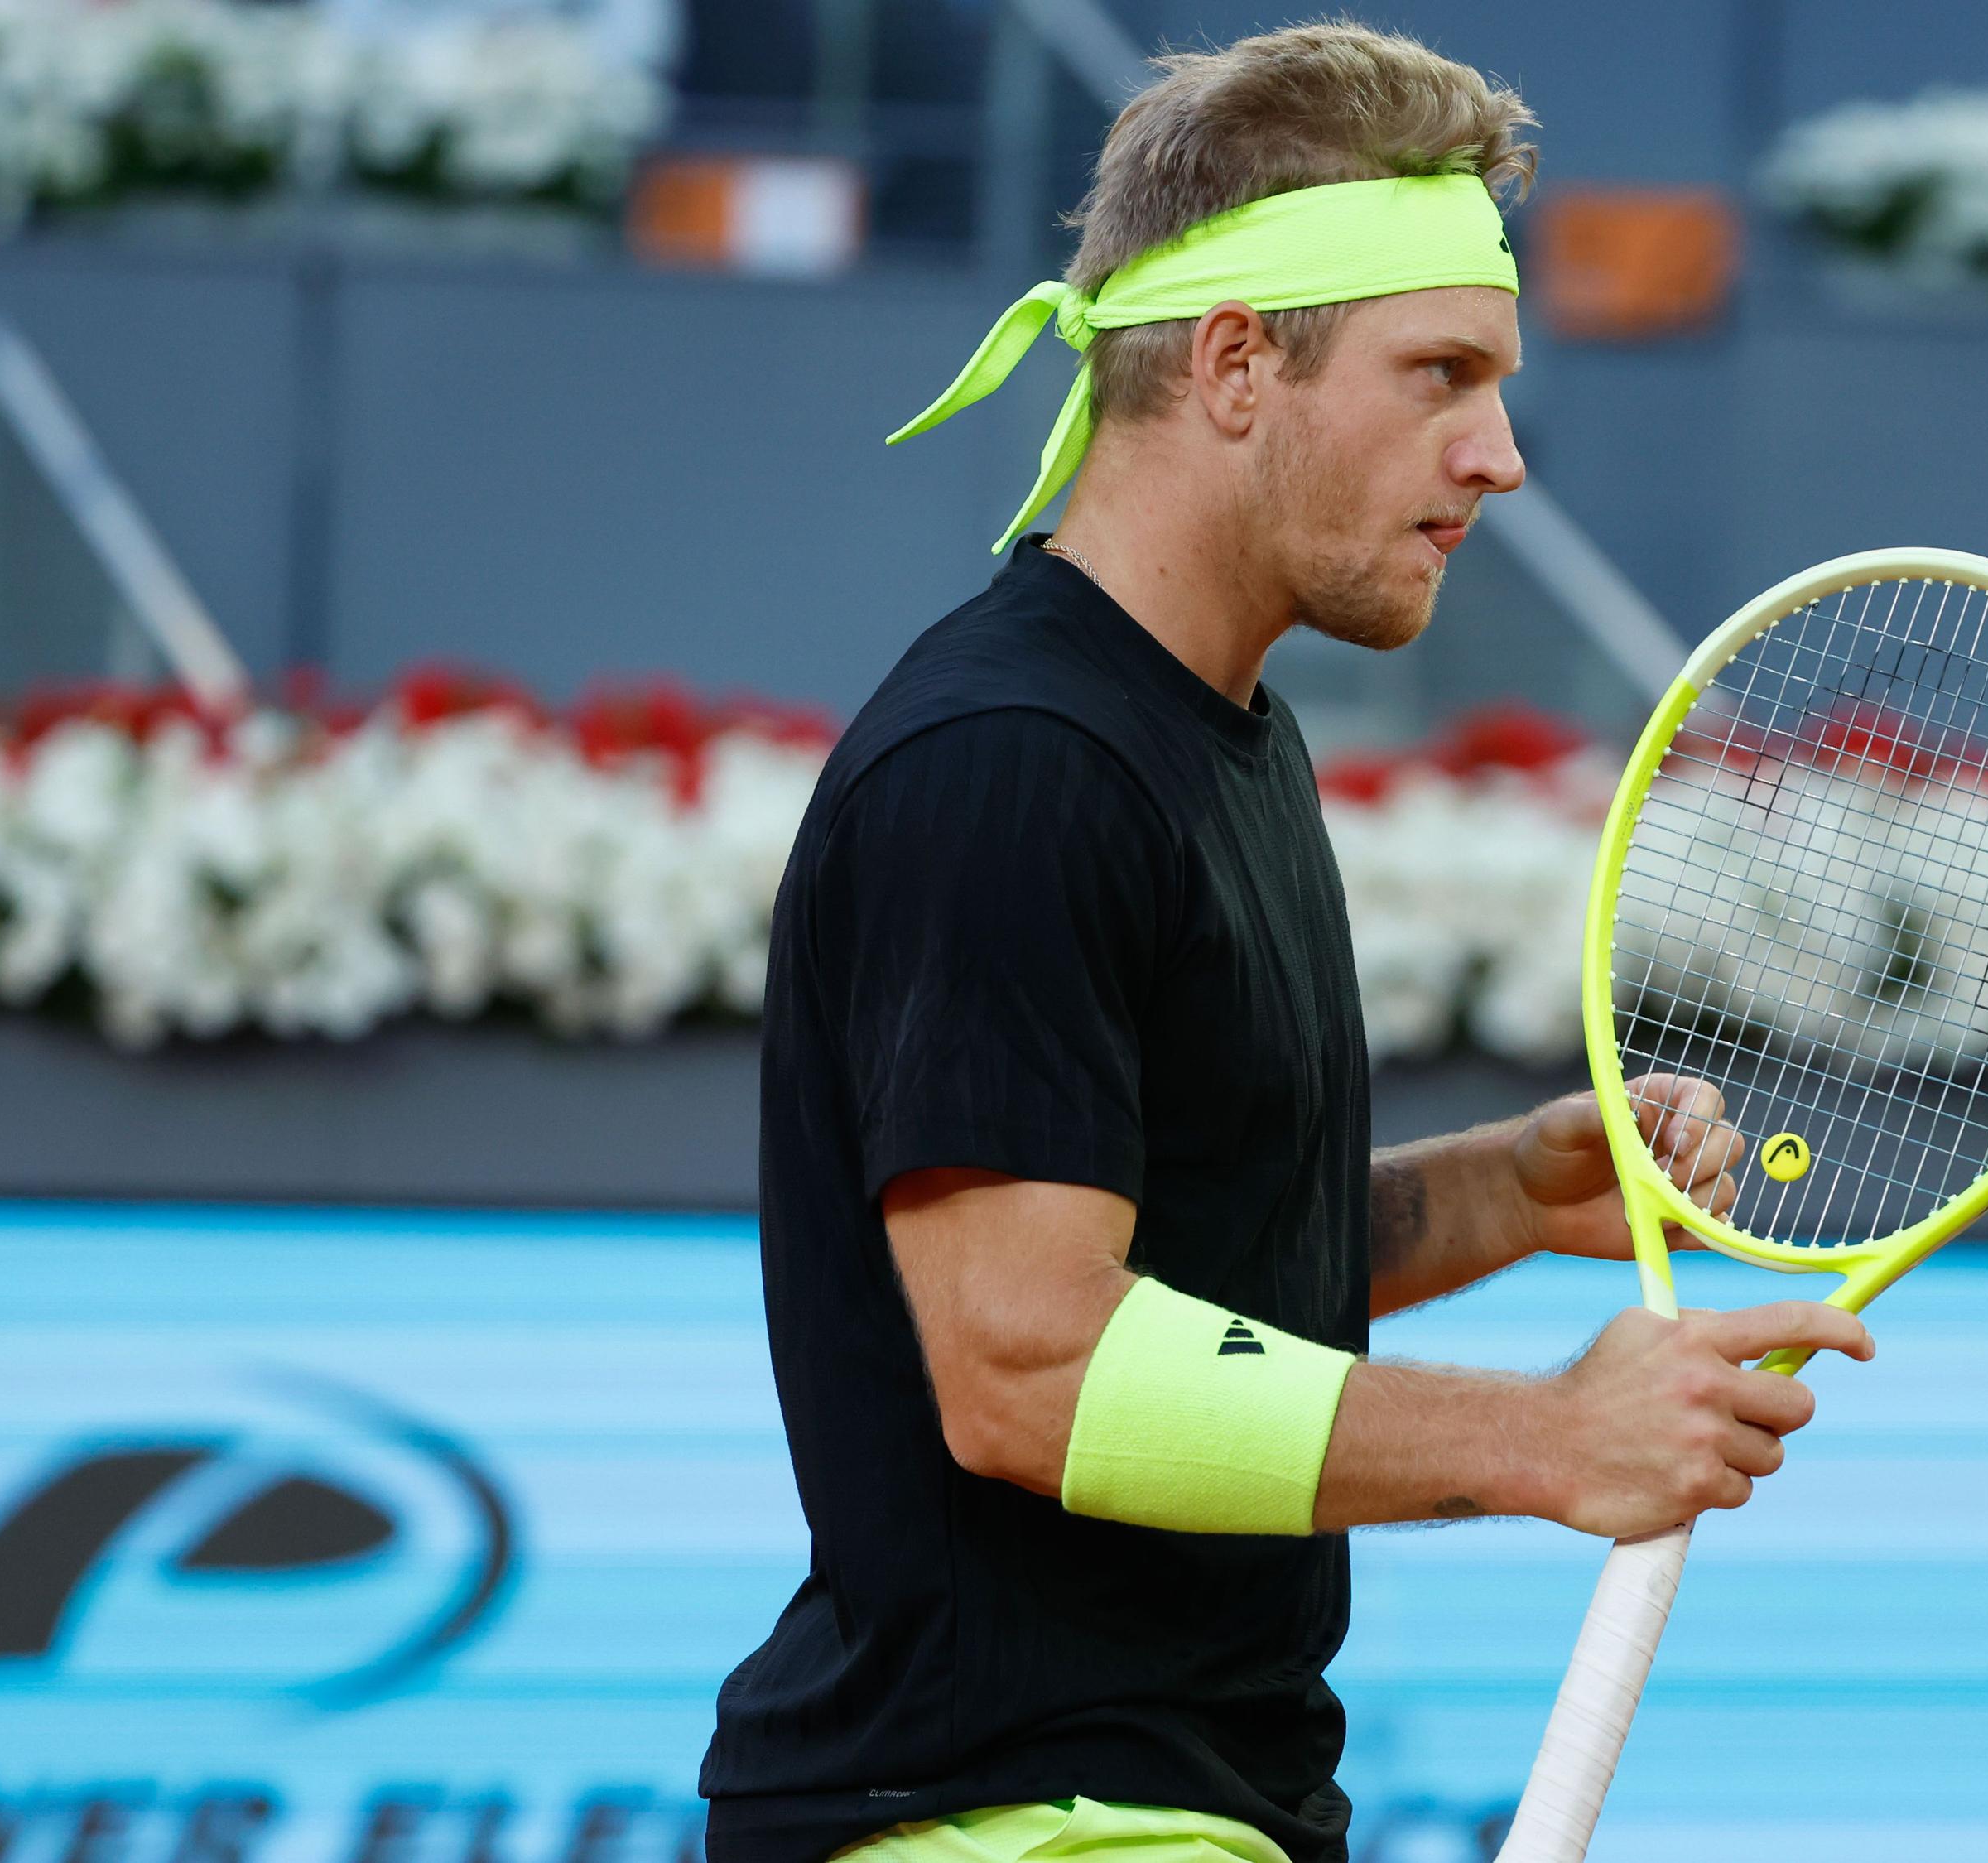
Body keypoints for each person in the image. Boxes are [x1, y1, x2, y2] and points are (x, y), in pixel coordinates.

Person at [700, 24, 1871, 1863]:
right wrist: (1542, 1441)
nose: (1496, 454)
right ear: (1236, 364)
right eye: (1440, 375)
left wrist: (1497, 1195)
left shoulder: (1203, 731)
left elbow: (1169, 1255)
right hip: (1018, 1823)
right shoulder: (1017, 765)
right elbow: (1029, 1370)